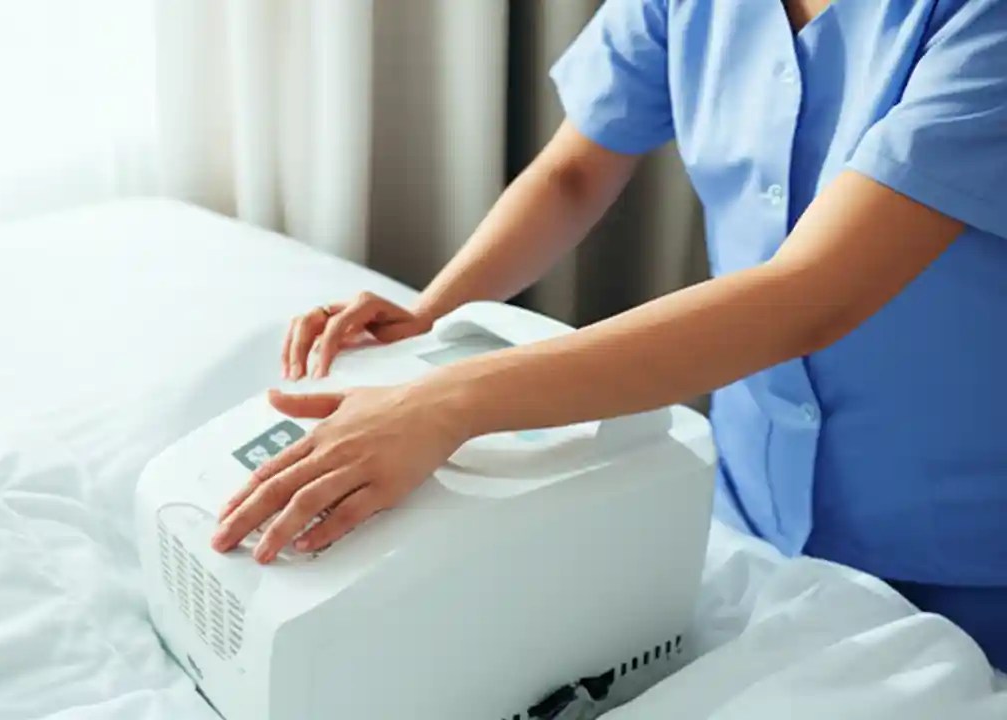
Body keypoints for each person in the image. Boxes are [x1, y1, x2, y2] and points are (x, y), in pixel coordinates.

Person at [212, 0, 1007, 669]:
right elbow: (576, 171)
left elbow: (811, 295)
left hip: (965, 550)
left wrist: (447, 402)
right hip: (747, 502)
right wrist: (435, 312)